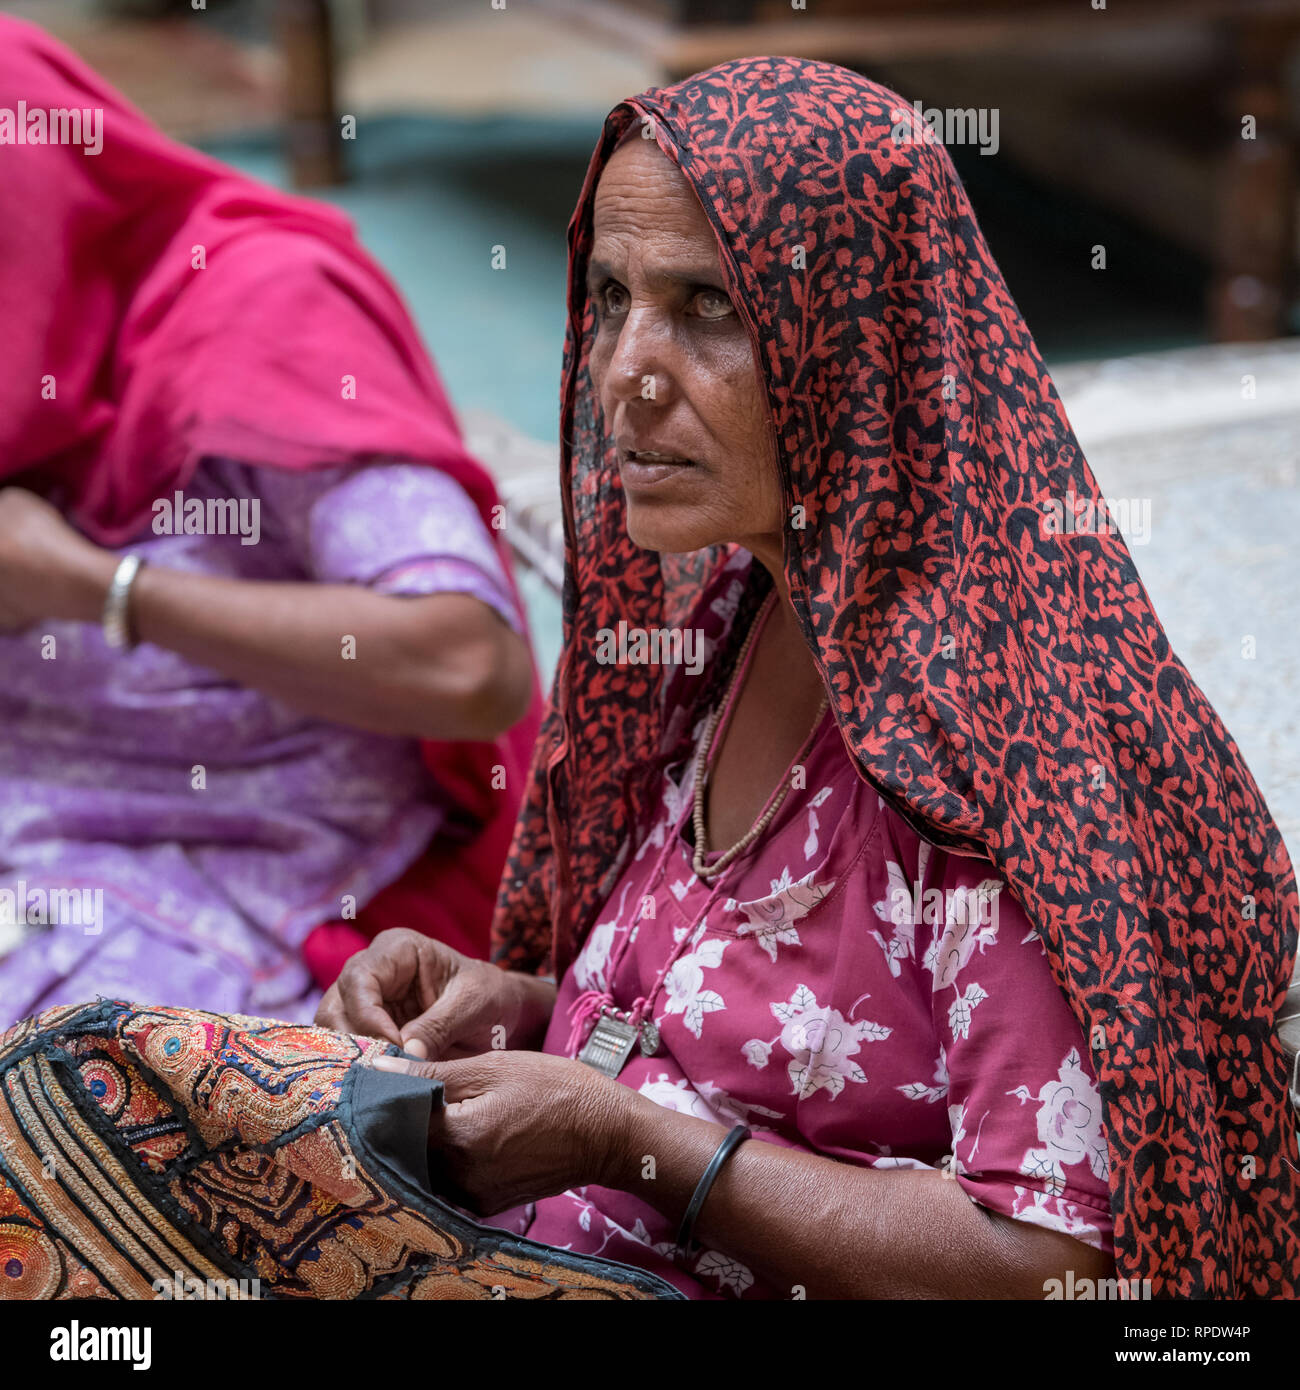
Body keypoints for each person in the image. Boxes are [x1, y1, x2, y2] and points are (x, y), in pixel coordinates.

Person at [320, 58, 1300, 1300]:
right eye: (612, 298)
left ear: (861, 350)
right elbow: (713, 1016)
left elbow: (1049, 1261)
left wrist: (631, 1141)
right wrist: (508, 1009)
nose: (628, 369)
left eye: (710, 307)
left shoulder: (984, 751)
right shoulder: (738, 612)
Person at [0, 17, 541, 1025]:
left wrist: (93, 588)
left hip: (310, 898)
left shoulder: (261, 317)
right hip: (51, 851)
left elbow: (469, 665)